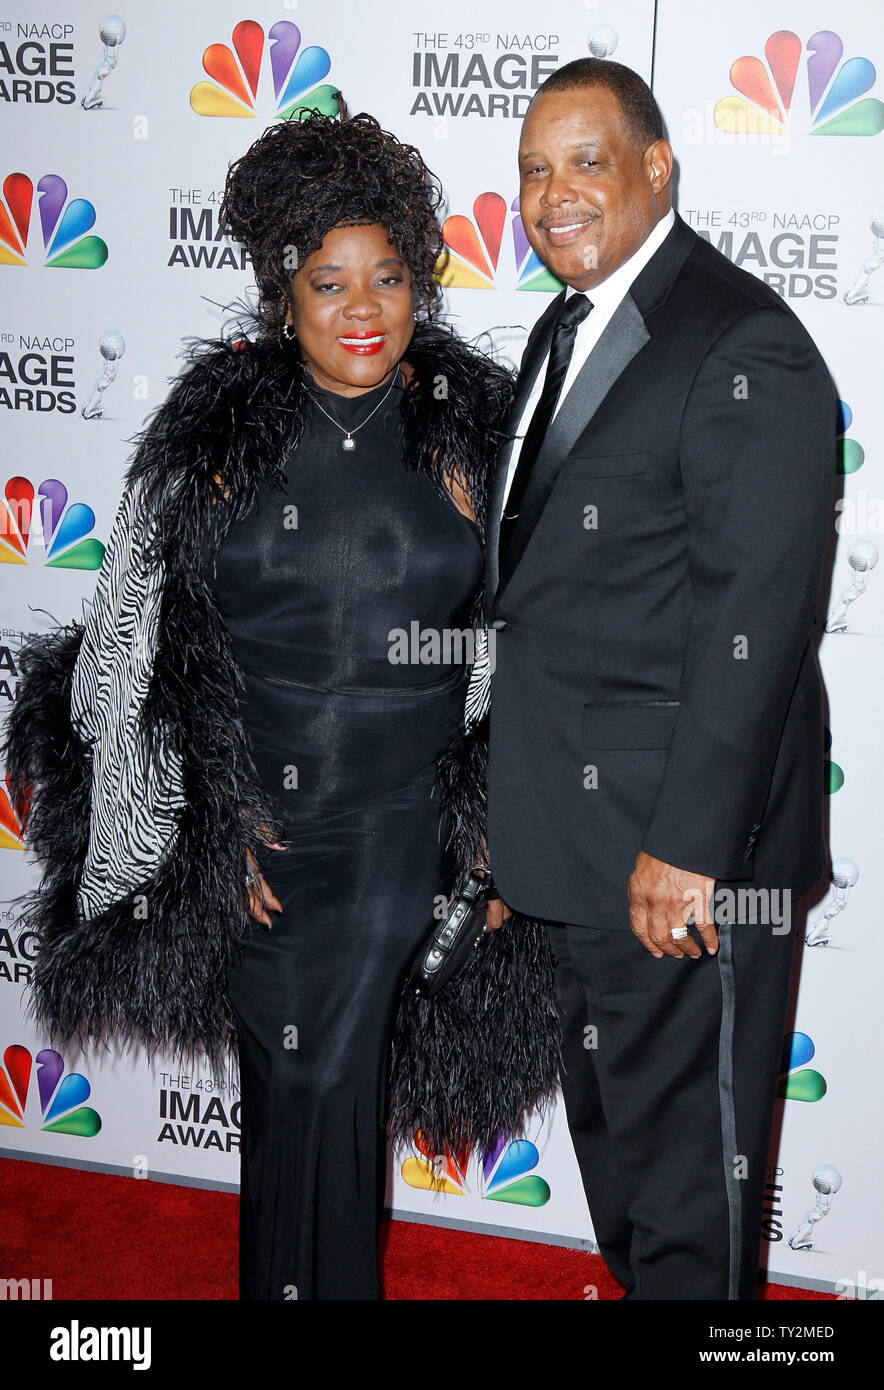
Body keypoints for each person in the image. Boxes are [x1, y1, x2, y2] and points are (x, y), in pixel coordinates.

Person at [3, 103, 560, 1302]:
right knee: (292, 1088)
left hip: (395, 830)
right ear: (282, 296)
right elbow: (127, 652)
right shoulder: (213, 445)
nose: (363, 309)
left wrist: (500, 841)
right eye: (328, 283)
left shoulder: (473, 442)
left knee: (327, 1077)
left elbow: (536, 652)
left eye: (388, 278)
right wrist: (204, 830)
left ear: (422, 281)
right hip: (255, 832)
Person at [483, 59, 835, 1300]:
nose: (552, 192)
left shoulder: (741, 340)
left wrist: (687, 848)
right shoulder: (562, 326)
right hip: (579, 851)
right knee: (628, 1186)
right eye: (532, 168)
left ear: (655, 166)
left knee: (694, 1211)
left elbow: (762, 614)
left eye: (584, 160)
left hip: (684, 870)